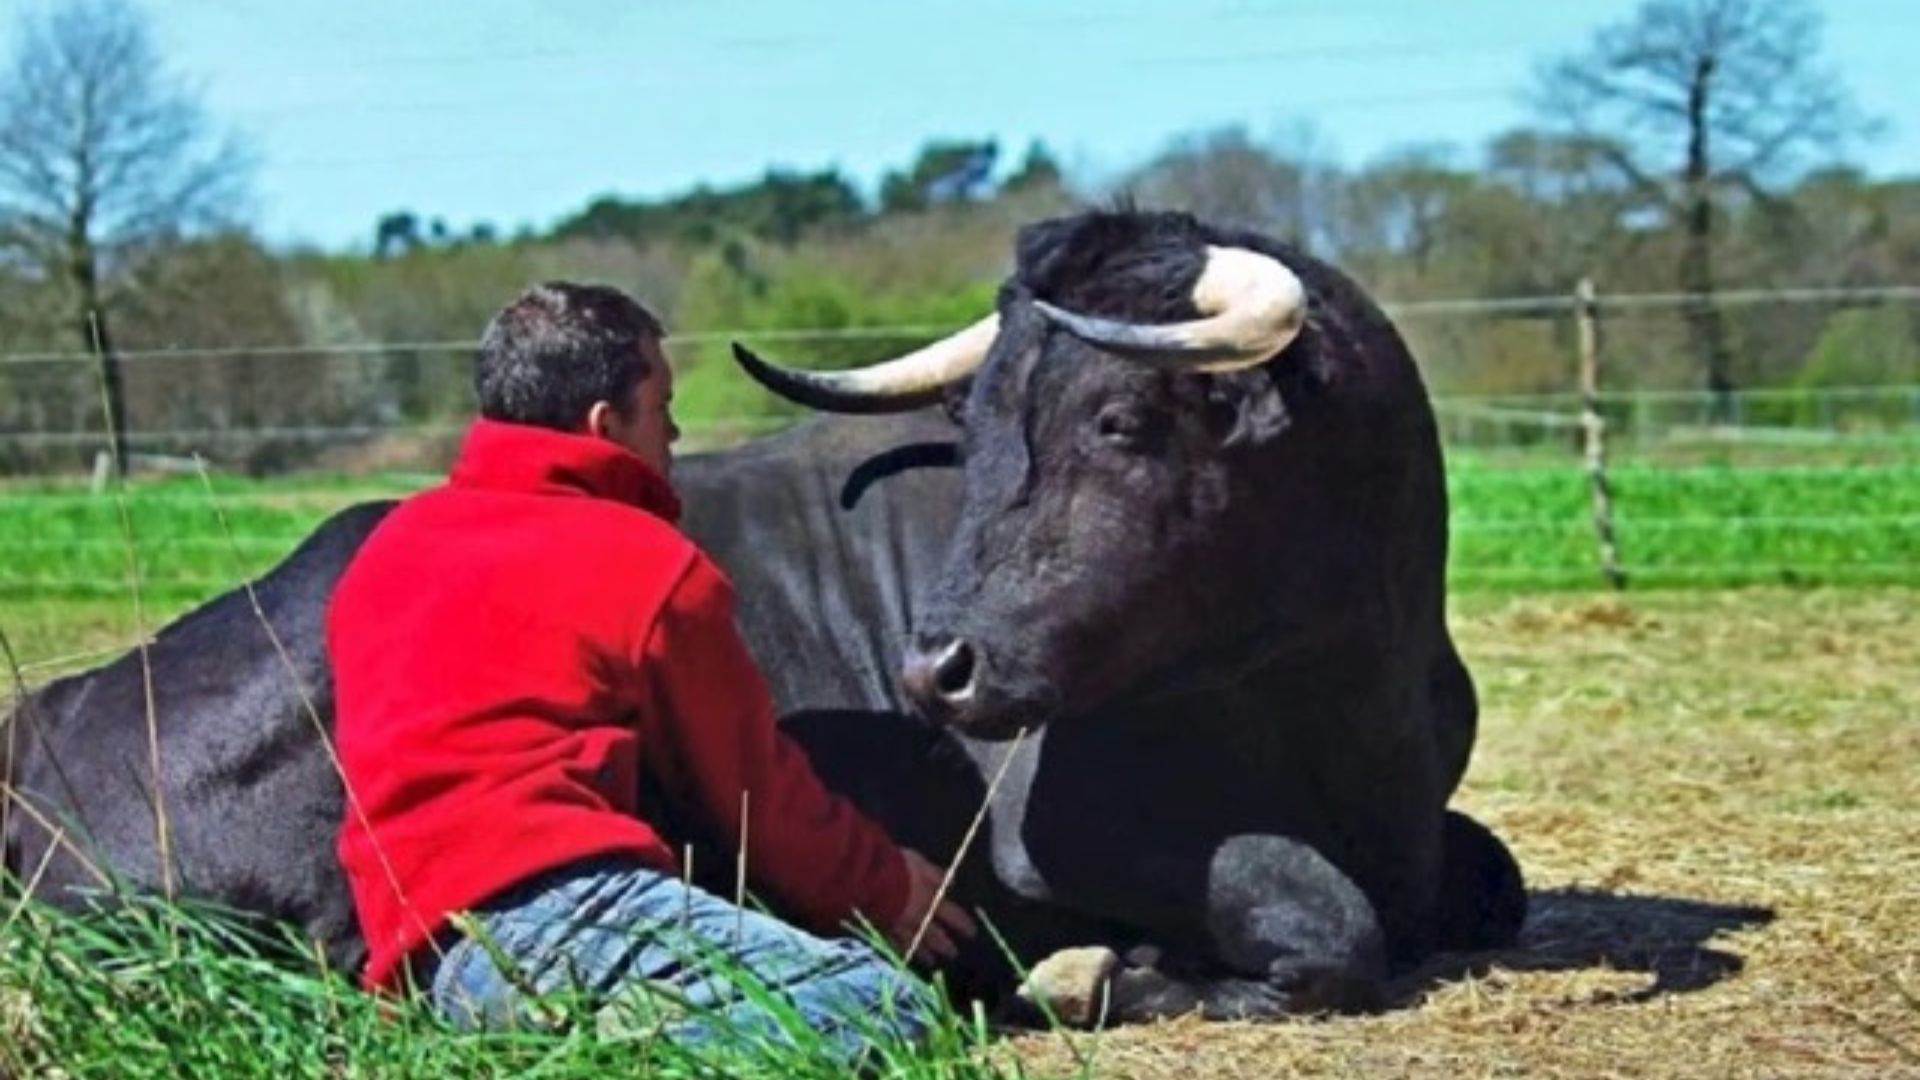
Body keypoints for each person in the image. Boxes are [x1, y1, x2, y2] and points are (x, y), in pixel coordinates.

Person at [328, 282, 974, 1055]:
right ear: (606, 426)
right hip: (569, 914)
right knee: (889, 1011)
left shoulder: (388, 549)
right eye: (662, 406)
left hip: (422, 965)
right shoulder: (643, 561)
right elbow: (752, 794)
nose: (675, 431)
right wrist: (881, 886)